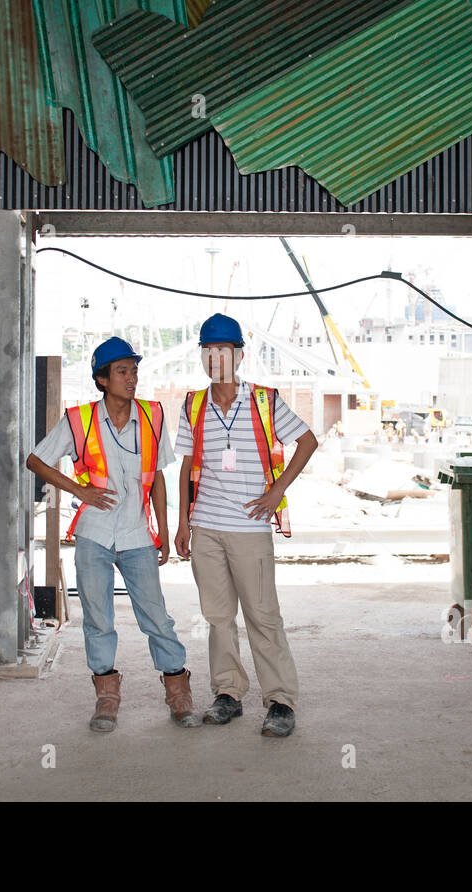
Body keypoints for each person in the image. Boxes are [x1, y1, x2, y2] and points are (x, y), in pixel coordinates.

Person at [25, 336, 199, 732]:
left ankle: (178, 691)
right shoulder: (78, 419)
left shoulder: (153, 416)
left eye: (134, 371)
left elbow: (156, 479)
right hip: (94, 534)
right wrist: (79, 490)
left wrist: (166, 530)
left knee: (156, 616)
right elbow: (36, 460)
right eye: (122, 371)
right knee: (99, 618)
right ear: (102, 379)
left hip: (138, 535)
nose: (132, 378)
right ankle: (107, 697)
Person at [174, 314, 318, 738]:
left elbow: (308, 440)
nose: (216, 357)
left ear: (239, 354)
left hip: (250, 529)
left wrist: (276, 490)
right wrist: (182, 521)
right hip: (206, 528)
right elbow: (184, 467)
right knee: (217, 617)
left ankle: (280, 701)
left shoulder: (265, 400)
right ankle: (228, 694)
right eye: (209, 350)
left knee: (262, 615)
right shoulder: (192, 405)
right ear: (203, 355)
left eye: (225, 350)